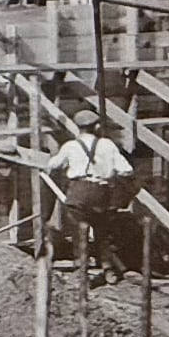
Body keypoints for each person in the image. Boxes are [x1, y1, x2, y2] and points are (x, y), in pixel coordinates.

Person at [42, 107, 135, 279]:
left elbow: (53, 165)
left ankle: (82, 268)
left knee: (79, 231)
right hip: (101, 193)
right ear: (97, 127)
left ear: (78, 127)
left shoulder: (70, 146)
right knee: (102, 232)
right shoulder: (107, 145)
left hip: (78, 191)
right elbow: (126, 170)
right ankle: (108, 269)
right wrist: (109, 174)